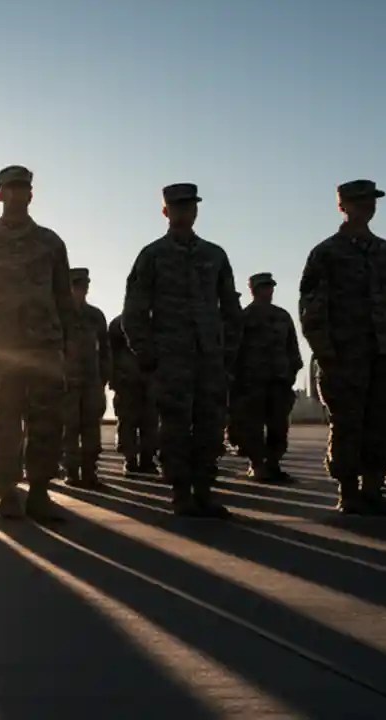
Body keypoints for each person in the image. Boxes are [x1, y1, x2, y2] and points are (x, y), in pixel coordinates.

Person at [0, 165, 76, 522]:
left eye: (22, 188)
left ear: (30, 195)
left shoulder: (51, 242)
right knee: (5, 422)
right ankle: (7, 492)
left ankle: (40, 492)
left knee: (47, 422)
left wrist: (66, 343)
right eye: (9, 188)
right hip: (0, 347)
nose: (16, 194)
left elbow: (62, 298)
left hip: (43, 347)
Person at [123, 183, 242, 518]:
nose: (183, 213)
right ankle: (180, 493)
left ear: (196, 211)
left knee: (210, 425)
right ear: (166, 212)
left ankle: (204, 491)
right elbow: (134, 309)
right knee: (174, 427)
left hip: (208, 358)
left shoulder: (214, 255)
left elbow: (230, 310)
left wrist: (227, 353)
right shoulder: (152, 256)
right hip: (170, 357)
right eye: (176, 208)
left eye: (189, 207)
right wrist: (145, 352)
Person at [300, 179, 386, 516]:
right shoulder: (327, 253)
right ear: (343, 206)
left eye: (371, 201)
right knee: (348, 423)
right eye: (360, 201)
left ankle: (373, 490)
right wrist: (325, 351)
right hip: (344, 355)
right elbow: (311, 307)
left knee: (382, 421)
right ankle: (348, 492)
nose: (368, 206)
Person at [230, 273, 302, 484]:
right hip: (252, 382)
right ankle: (257, 465)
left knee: (278, 426)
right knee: (252, 426)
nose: (267, 291)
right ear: (253, 290)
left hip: (279, 380)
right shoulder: (244, 318)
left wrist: (291, 371)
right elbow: (234, 351)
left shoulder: (282, 316)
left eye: (269, 286)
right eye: (262, 287)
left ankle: (273, 464)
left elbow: (293, 348)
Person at [61, 267, 111, 489]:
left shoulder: (96, 316)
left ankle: (90, 472)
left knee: (91, 427)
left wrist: (104, 375)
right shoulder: (61, 314)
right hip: (67, 379)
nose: (81, 289)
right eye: (77, 285)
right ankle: (71, 472)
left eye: (84, 285)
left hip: (91, 379)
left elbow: (105, 349)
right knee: (69, 428)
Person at [109, 314, 158, 476]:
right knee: (128, 422)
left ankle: (147, 460)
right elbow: (111, 354)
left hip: (150, 380)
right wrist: (114, 378)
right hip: (127, 381)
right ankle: (130, 460)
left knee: (150, 423)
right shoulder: (119, 323)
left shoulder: (158, 322)